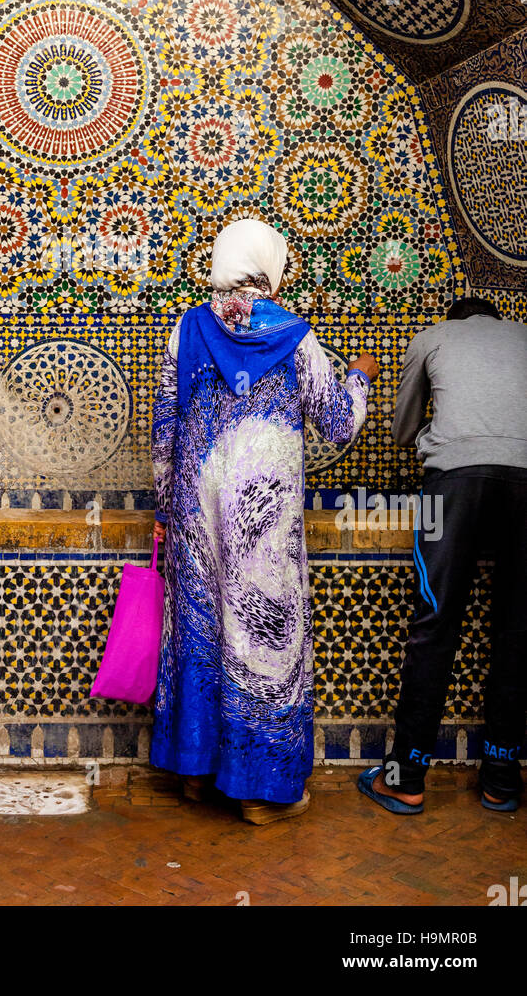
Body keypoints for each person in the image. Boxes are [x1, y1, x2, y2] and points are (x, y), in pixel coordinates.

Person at [150, 217, 379, 823]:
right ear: (268, 267)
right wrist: (360, 377)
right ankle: (260, 793)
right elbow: (336, 423)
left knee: (200, 632)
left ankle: (196, 777)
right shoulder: (297, 339)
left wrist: (165, 508)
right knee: (264, 642)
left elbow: (164, 430)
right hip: (266, 519)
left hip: (198, 512)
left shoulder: (186, 330)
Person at [358, 297, 527, 816]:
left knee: (433, 626)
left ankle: (405, 776)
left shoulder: (433, 336)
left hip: (452, 484)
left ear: (454, 322)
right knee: (518, 629)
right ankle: (501, 779)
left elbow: (403, 430)